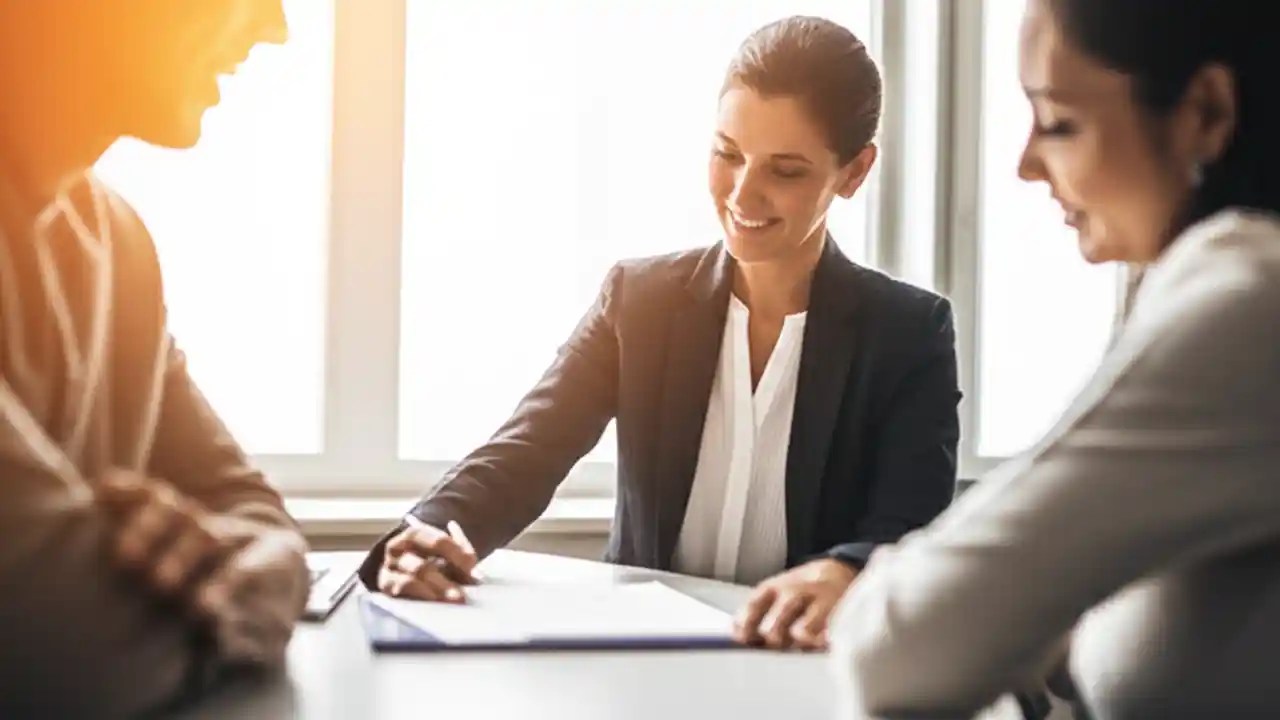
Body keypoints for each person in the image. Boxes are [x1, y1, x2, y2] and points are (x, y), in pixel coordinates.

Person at [362, 15, 961, 651]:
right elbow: (525, 454)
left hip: (805, 661)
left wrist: (846, 572)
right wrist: (428, 532)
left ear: (854, 172)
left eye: (785, 171)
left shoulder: (908, 334)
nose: (743, 195)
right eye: (728, 154)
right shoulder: (640, 301)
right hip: (647, 657)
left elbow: (910, 525)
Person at [829, 0, 1280, 717]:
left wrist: (889, 580)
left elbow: (901, 648)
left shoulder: (1247, 305)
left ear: (1205, 112)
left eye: (1059, 121)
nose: (1026, 164)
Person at [0, 2, 310, 717]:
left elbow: (255, 515)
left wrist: (250, 572)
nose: (274, 28)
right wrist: (240, 605)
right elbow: (58, 649)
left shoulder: (119, 242)